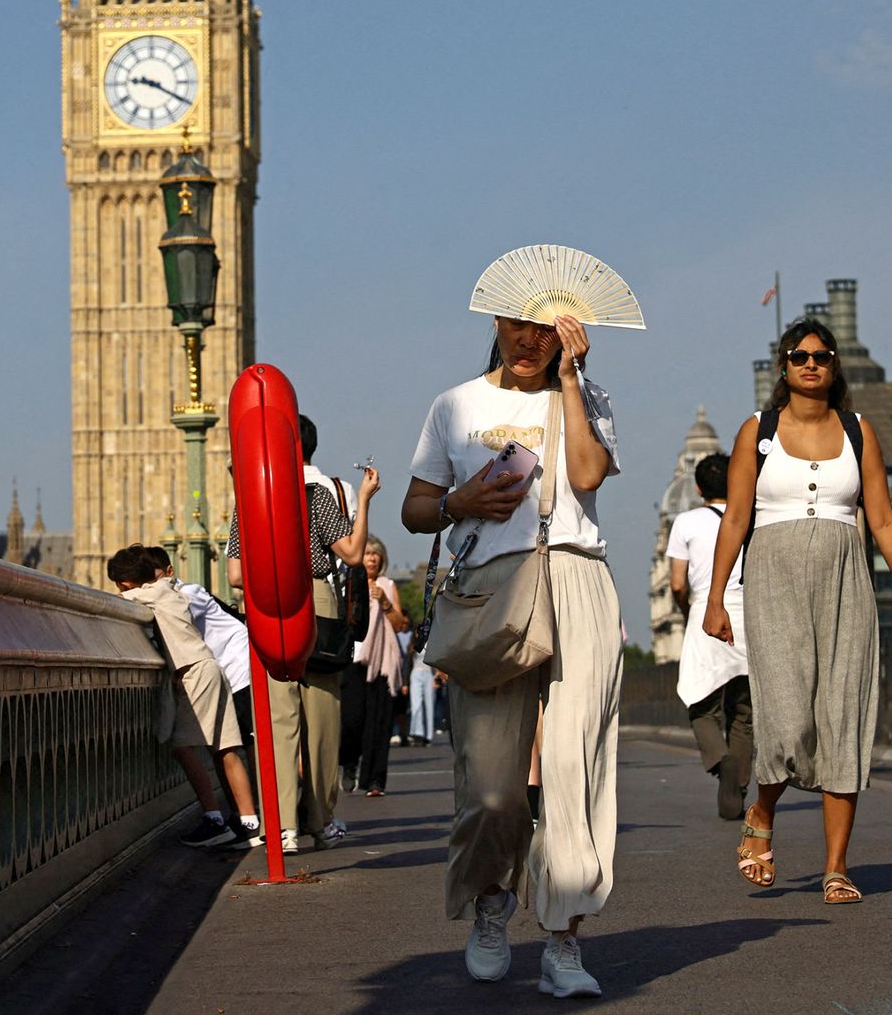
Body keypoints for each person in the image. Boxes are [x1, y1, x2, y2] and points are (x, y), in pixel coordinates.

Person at [401, 309, 623, 997]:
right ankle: (492, 901)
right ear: (496, 323)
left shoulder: (586, 394)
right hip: (492, 593)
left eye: (546, 330)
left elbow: (587, 474)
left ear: (567, 335)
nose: (530, 341)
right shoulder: (456, 405)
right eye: (517, 327)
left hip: (578, 579)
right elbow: (414, 509)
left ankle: (563, 940)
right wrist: (459, 500)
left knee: (573, 773)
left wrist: (574, 380)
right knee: (494, 788)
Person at [703, 317, 892, 906]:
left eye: (821, 356)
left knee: (844, 714)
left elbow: (881, 519)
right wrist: (716, 595)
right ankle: (763, 809)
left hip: (847, 580)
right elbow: (735, 519)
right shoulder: (758, 431)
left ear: (834, 365)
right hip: (773, 580)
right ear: (783, 365)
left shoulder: (858, 431)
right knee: (787, 715)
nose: (810, 364)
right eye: (799, 356)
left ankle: (836, 866)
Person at [227, 415, 380, 854]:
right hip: (315, 602)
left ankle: (282, 827)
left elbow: (236, 575)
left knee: (277, 722)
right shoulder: (315, 497)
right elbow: (351, 552)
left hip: (266, 601)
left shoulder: (249, 501)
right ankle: (321, 820)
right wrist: (365, 499)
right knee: (321, 721)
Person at [108, 545, 261, 849]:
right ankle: (250, 823)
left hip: (195, 674)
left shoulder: (155, 593)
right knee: (225, 749)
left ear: (125, 583)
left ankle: (214, 818)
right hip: (210, 669)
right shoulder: (169, 589)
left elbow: (119, 602)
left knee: (183, 747)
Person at [666, 452, 752, 820]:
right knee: (745, 708)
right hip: (749, 612)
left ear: (698, 488)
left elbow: (676, 583)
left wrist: (688, 612)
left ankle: (720, 759)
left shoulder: (686, 521)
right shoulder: (750, 517)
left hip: (706, 609)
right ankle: (738, 782)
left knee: (700, 701)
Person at [143, 545, 257, 773]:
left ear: (170, 571)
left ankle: (287, 799)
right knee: (227, 748)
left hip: (240, 670)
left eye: (154, 580)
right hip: (223, 674)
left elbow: (174, 610)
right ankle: (250, 805)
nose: (152, 588)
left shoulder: (188, 594)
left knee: (254, 743)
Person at [344, 536, 405, 796]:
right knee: (352, 720)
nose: (370, 558)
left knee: (379, 723)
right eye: (366, 553)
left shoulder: (387, 585)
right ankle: (349, 764)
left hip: (381, 663)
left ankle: (375, 780)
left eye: (375, 554)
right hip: (354, 660)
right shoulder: (349, 584)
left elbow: (399, 623)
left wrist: (385, 602)